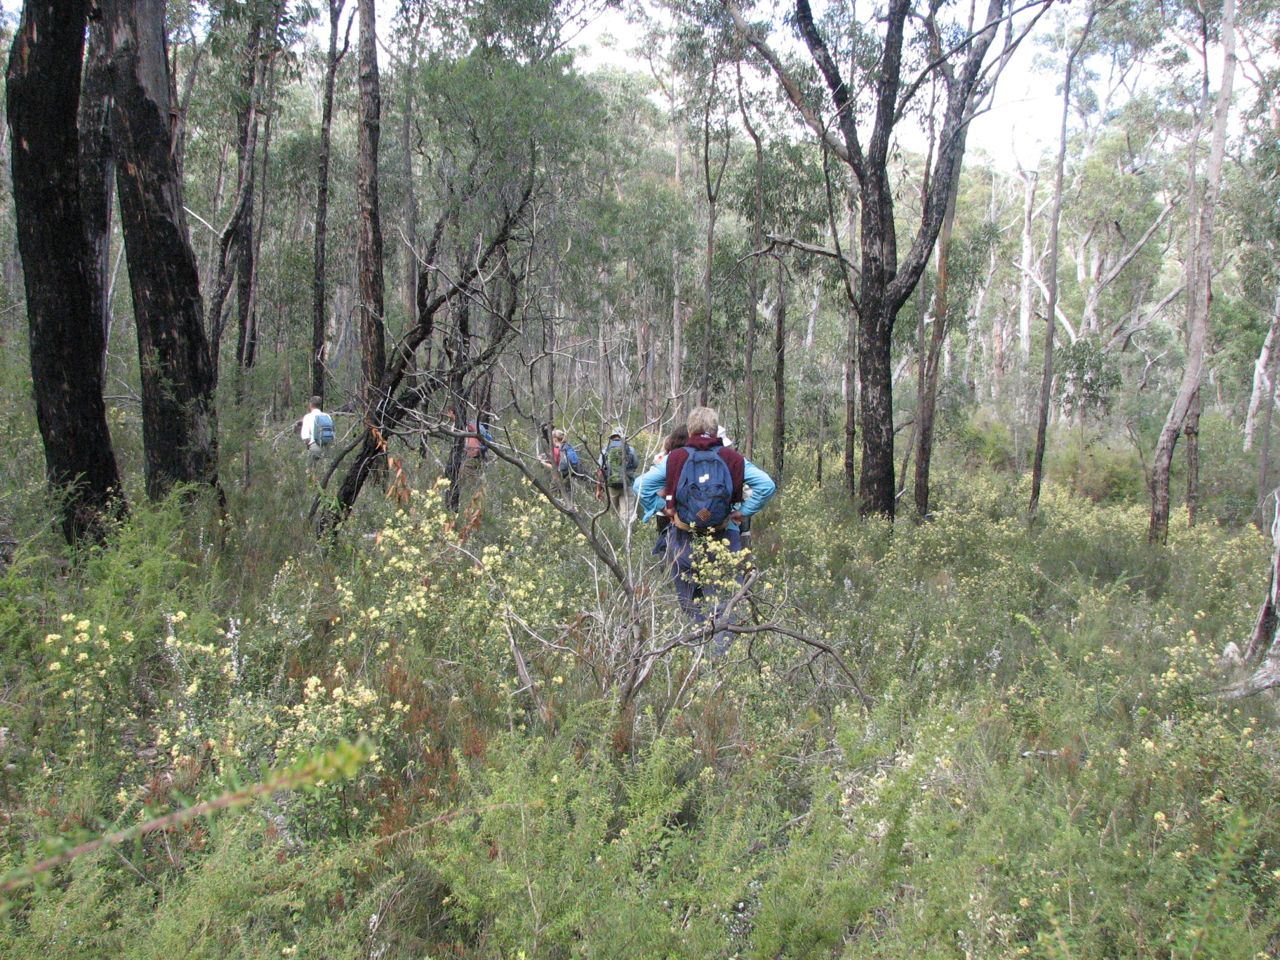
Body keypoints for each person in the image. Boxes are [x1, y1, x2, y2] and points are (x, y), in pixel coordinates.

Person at [652, 406, 775, 654]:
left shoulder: (675, 458)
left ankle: (696, 652)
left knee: (690, 602)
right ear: (715, 429)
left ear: (690, 430)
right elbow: (767, 485)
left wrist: (664, 509)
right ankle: (719, 657)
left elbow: (641, 486)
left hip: (684, 538)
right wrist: (743, 512)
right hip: (724, 537)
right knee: (723, 603)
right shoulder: (733, 458)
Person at [597, 426, 638, 515]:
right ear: (624, 437)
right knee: (627, 514)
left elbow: (600, 471)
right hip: (627, 485)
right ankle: (625, 524)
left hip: (611, 486)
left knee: (612, 513)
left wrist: (598, 490)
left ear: (612, 438)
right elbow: (635, 465)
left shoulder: (605, 451)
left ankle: (614, 523)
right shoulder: (631, 450)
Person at [541, 428, 583, 501]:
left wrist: (543, 462)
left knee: (553, 495)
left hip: (561, 476)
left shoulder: (556, 449)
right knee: (568, 496)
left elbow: (554, 467)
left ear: (555, 439)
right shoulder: (567, 446)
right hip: (569, 474)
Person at [299, 396, 335, 468]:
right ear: (320, 405)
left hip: (314, 446)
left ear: (310, 404)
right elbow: (333, 432)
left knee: (310, 471)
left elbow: (306, 437)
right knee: (326, 470)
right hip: (327, 447)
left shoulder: (308, 417)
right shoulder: (327, 416)